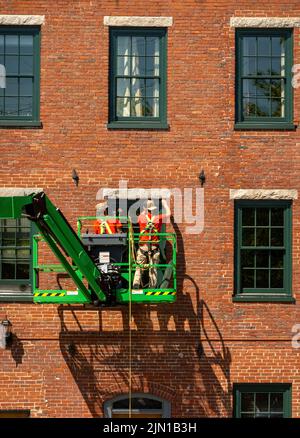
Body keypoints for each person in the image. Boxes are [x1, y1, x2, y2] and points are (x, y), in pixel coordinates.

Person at [132, 199, 171, 289]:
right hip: (154, 248)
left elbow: (136, 217)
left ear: (146, 208)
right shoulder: (158, 218)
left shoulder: (141, 217)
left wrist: (144, 209)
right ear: (153, 209)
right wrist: (165, 204)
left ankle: (136, 285)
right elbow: (169, 214)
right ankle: (152, 287)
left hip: (143, 248)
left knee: (139, 268)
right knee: (153, 269)